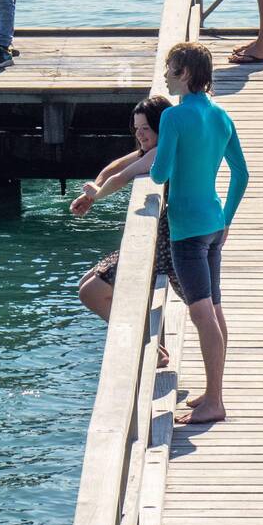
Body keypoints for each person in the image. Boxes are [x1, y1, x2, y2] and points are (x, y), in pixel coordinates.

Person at [151, 42, 249, 424]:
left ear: (186, 74)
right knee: (215, 309)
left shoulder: (173, 119)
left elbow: (160, 174)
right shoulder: (222, 116)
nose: (164, 75)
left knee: (201, 314)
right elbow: (241, 174)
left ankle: (215, 401)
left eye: (170, 68)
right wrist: (226, 217)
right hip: (212, 224)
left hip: (187, 230)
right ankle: (212, 392)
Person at [70, 96, 185, 368]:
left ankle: (148, 346)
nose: (139, 134)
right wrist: (94, 190)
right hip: (160, 238)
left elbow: (121, 178)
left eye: (146, 128)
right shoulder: (152, 149)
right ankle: (152, 343)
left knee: (92, 292)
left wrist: (96, 196)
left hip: (167, 243)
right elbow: (117, 166)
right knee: (87, 284)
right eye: (136, 128)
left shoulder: (163, 150)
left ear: (161, 127)